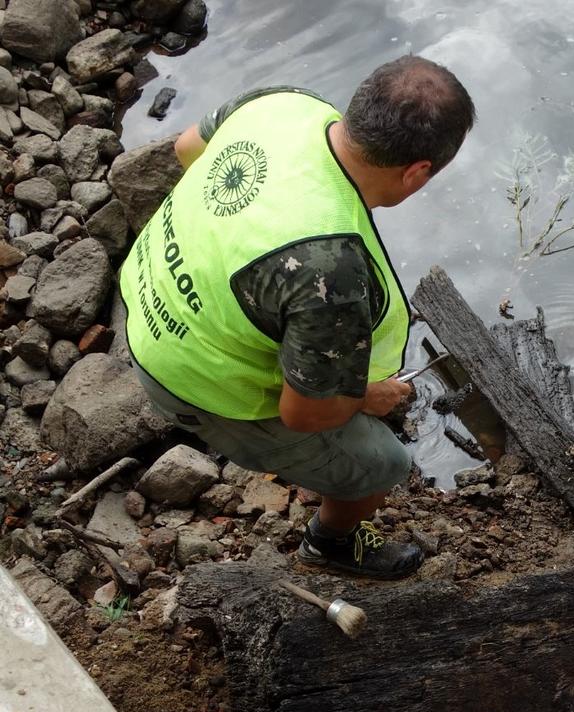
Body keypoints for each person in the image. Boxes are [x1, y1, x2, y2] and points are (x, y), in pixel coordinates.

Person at [120, 57, 475, 579]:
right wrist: (365, 394)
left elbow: (186, 149)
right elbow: (305, 416)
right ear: (418, 172)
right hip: (184, 377)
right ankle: (329, 544)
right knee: (384, 463)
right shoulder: (330, 270)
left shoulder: (284, 105)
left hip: (143, 290)